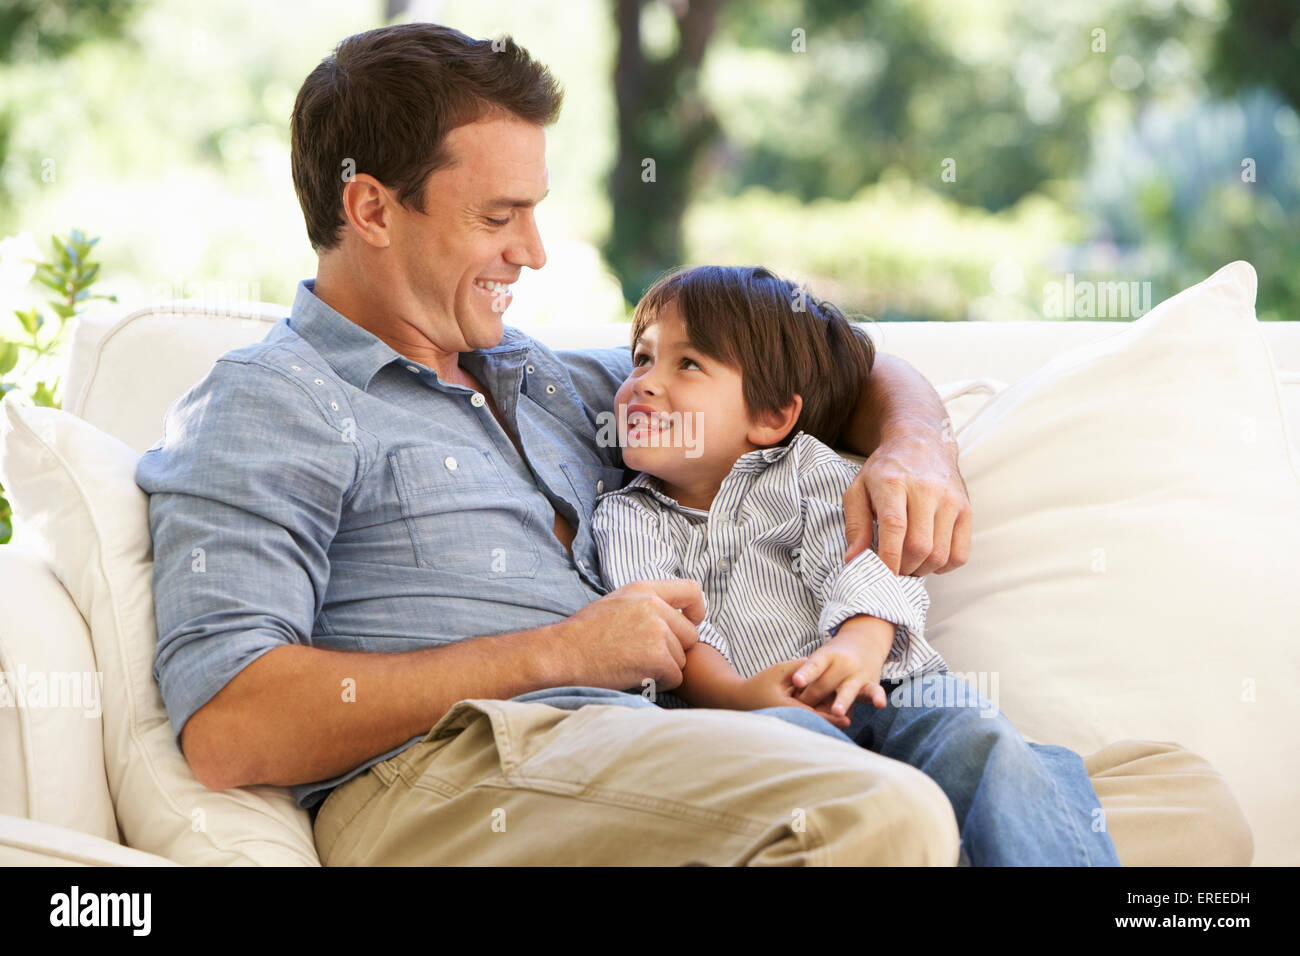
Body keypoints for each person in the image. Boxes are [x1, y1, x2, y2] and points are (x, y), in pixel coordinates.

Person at [135, 22, 1252, 866]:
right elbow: (231, 727)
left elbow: (839, 370)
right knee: (876, 811)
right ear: (371, 209)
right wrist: (558, 652)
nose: (531, 248)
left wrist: (917, 448)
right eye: (494, 217)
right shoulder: (268, 403)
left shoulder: (549, 380)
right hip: (464, 769)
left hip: (660, 749)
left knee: (1180, 804)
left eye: (534, 209)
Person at [590, 264, 1122, 865]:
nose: (642, 384)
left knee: (977, 736)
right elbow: (667, 629)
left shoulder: (810, 473)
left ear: (771, 417)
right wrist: (741, 695)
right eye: (640, 359)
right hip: (745, 718)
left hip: (886, 687)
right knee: (811, 763)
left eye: (686, 364)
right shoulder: (625, 514)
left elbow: (864, 559)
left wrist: (860, 648)